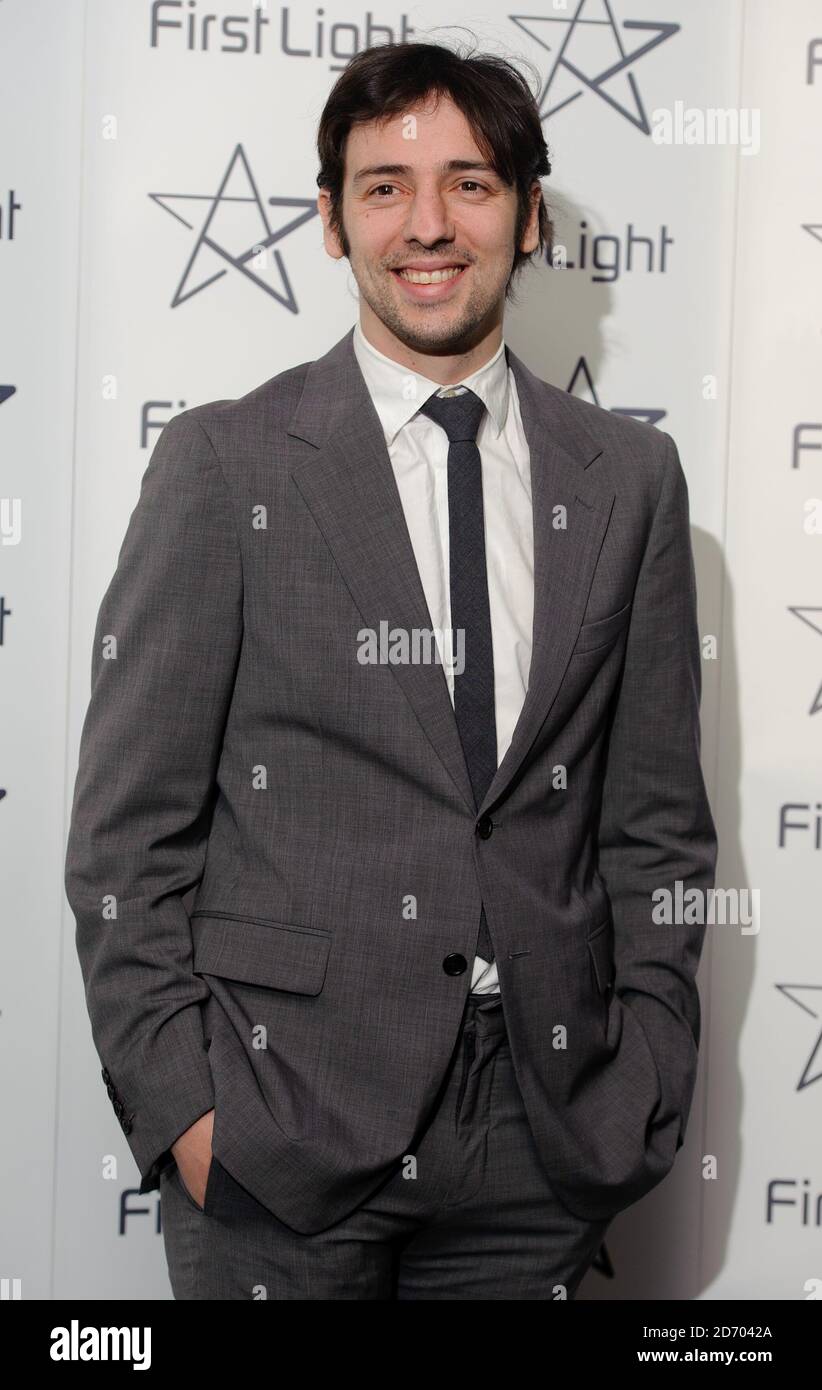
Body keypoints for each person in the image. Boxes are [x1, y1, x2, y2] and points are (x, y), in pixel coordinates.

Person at [64, 39, 717, 1300]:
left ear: (529, 217)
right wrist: (192, 1116)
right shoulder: (226, 466)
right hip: (281, 1138)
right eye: (384, 187)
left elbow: (657, 830)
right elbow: (124, 840)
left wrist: (645, 1071)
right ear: (330, 220)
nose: (427, 224)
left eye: (469, 184)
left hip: (544, 1136)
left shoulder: (631, 484)